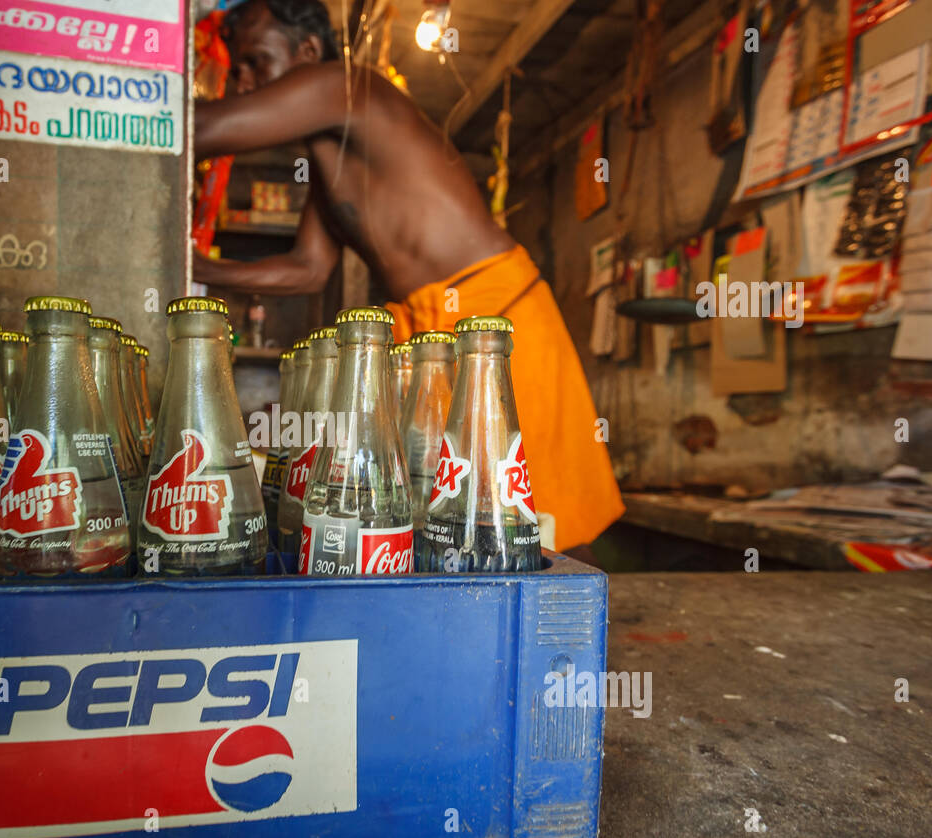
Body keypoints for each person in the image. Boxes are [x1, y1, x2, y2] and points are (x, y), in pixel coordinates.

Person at [194, 0, 622, 552]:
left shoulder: (342, 85)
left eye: (255, 60)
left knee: (531, 518)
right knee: (454, 515)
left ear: (307, 51)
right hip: (430, 340)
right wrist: (205, 269)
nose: (243, 80)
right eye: (237, 69)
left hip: (495, 321)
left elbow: (203, 127)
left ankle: (561, 635)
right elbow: (308, 269)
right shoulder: (329, 157)